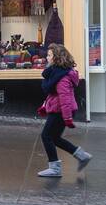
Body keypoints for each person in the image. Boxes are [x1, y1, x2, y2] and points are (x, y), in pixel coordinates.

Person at [36, 44, 92, 178]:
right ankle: (82, 156)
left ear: (56, 58)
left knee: (46, 136)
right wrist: (45, 105)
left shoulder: (62, 76)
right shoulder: (56, 72)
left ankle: (55, 168)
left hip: (61, 111)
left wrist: (67, 118)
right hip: (58, 109)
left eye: (49, 55)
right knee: (54, 138)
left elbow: (65, 98)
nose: (47, 57)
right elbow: (53, 94)